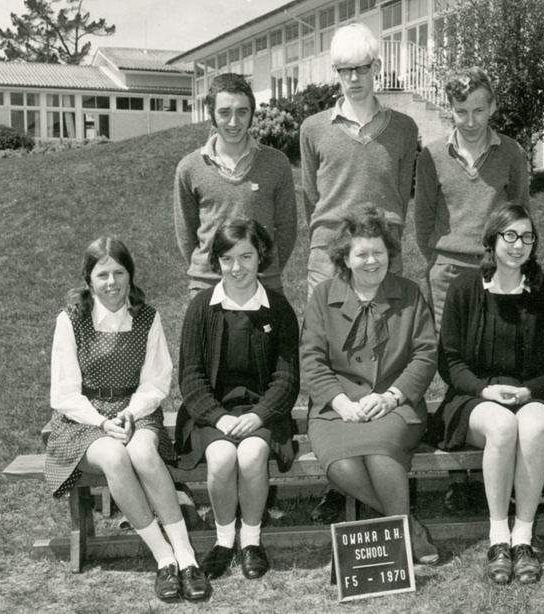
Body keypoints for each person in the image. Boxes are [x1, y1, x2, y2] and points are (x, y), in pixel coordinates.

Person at [44, 237, 210, 602]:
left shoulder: (146, 317)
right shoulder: (71, 320)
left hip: (135, 411)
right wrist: (102, 422)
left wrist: (129, 412)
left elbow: (156, 379)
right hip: (84, 419)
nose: (112, 282)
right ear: (88, 280)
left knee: (144, 455)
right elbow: (64, 392)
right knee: (116, 458)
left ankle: (186, 557)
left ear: (130, 276)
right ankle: (164, 558)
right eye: (102, 274)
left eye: (119, 272)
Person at [429, 204, 544, 585]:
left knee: (536, 424)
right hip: (473, 396)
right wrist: (485, 390)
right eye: (510, 235)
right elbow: (450, 362)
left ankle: (522, 539)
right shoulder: (464, 289)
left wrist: (528, 392)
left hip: (529, 394)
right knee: (503, 426)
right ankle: (497, 538)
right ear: (492, 239)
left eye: (527, 237)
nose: (518, 244)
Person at [300, 206, 439, 565]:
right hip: (337, 408)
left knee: (380, 451)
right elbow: (312, 360)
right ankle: (407, 528)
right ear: (345, 257)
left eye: (378, 251)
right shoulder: (322, 297)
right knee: (342, 464)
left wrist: (393, 397)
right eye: (361, 253)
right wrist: (341, 402)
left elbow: (425, 355)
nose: (371, 260)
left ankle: (398, 535)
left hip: (396, 404)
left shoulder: (409, 294)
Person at [176, 216, 299, 580]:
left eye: (246, 257)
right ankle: (223, 540)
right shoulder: (201, 308)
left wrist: (260, 415)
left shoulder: (278, 309)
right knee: (221, 458)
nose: (237, 267)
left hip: (261, 414)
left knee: (251, 455)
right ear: (216, 263)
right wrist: (218, 417)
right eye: (227, 259)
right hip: (212, 415)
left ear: (260, 257)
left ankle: (251, 541)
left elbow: (287, 377)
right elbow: (191, 376)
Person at [300, 23, 418, 295]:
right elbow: (310, 198)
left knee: (384, 332)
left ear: (376, 67)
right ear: (336, 72)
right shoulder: (312, 128)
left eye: (361, 68)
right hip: (328, 253)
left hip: (382, 251)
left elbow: (400, 197)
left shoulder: (404, 128)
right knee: (327, 334)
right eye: (345, 69)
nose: (353, 78)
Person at [414, 67, 530, 332]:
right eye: (461, 112)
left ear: (492, 106)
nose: (470, 122)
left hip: (499, 267)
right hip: (447, 273)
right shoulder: (431, 157)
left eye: (478, 111)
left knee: (496, 344)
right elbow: (423, 220)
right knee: (451, 353)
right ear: (450, 109)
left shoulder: (512, 153)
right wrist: (441, 259)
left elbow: (522, 214)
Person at [174, 73, 297, 298]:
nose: (233, 122)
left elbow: (287, 228)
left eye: (242, 112)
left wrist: (265, 266)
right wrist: (210, 267)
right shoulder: (189, 168)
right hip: (207, 287)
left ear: (251, 114)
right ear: (211, 114)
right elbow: (186, 233)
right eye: (224, 112)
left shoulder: (277, 164)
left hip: (263, 285)